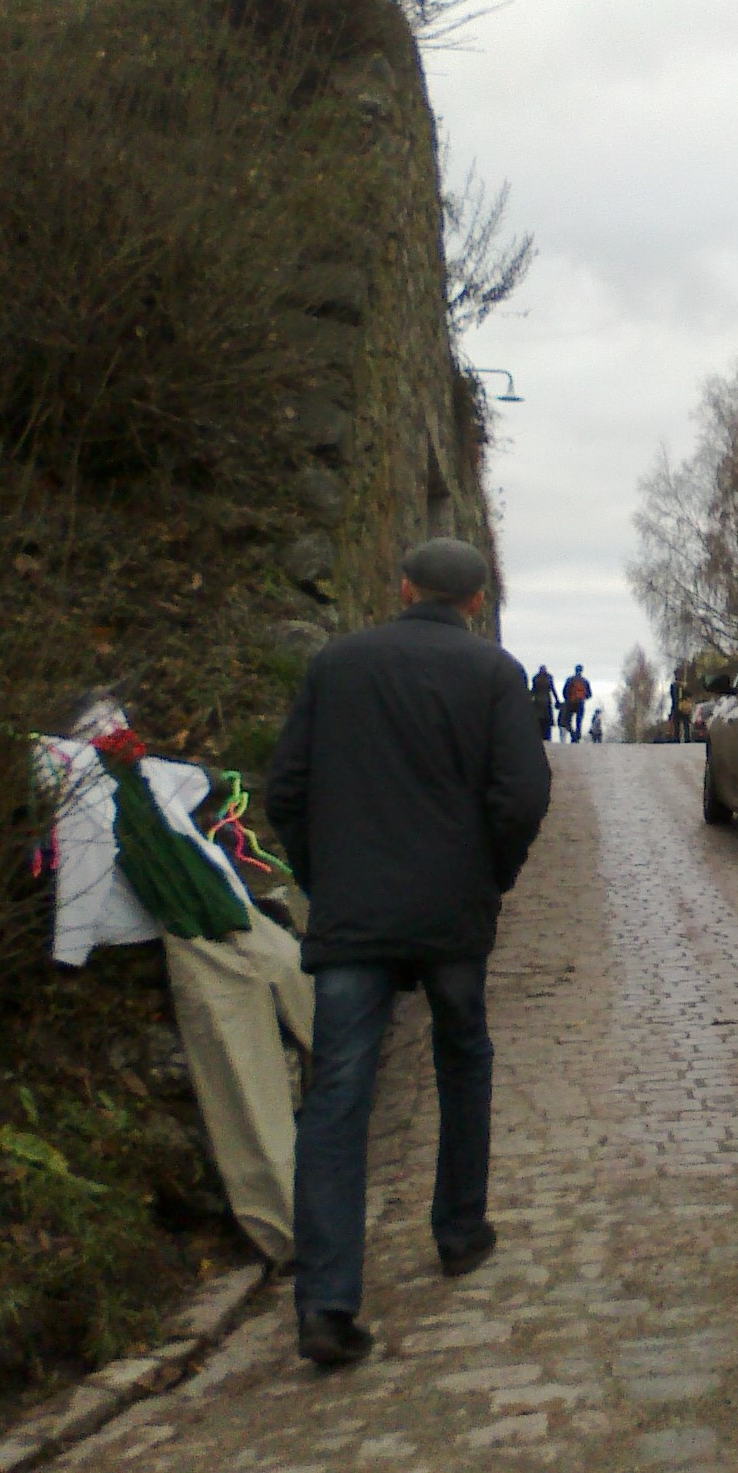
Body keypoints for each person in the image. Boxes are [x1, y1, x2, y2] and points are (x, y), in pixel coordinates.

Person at [263, 538, 552, 1368]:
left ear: (402, 585)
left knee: (339, 1091)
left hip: (355, 909)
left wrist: (326, 877)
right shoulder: (494, 675)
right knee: (462, 1055)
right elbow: (523, 794)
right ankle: (460, 1230)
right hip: (451, 908)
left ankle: (326, 1299)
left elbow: (287, 787)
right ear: (475, 601)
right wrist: (490, 874)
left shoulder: (337, 665)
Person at [559, 664, 592, 743]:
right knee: (579, 721)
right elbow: (589, 694)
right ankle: (577, 737)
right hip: (580, 703)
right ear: (582, 671)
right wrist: (583, 698)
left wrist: (568, 699)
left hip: (570, 703)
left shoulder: (570, 679)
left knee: (567, 721)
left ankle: (573, 734)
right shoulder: (585, 681)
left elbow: (564, 691)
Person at [528, 665, 556, 743]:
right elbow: (552, 689)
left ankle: (538, 736)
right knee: (547, 720)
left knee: (538, 720)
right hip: (547, 701)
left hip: (537, 701)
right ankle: (547, 737)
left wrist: (528, 699)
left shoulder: (536, 677)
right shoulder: (549, 677)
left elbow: (533, 690)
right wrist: (557, 700)